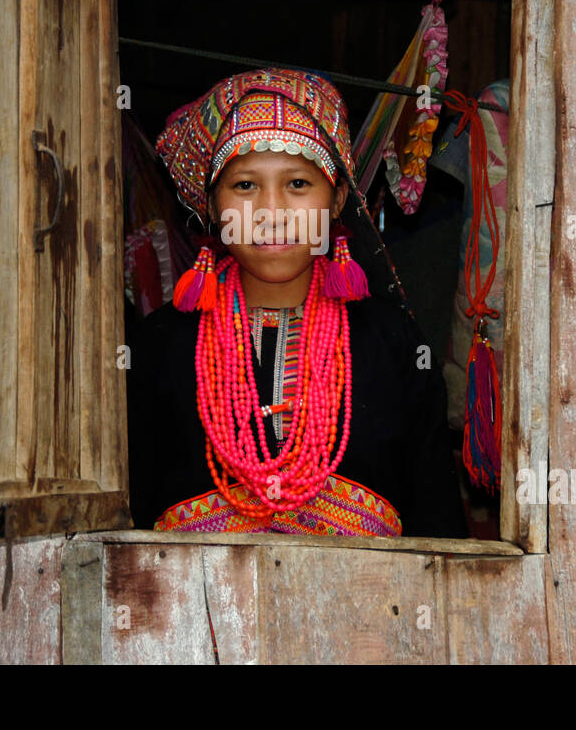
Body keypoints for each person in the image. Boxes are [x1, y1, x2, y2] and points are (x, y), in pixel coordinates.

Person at [127, 67, 466, 538]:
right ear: (212, 206)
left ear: (337, 199)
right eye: (245, 185)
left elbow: (438, 531)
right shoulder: (159, 344)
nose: (271, 212)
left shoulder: (393, 343)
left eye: (299, 185)